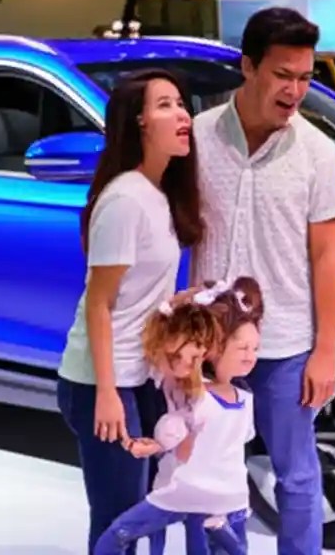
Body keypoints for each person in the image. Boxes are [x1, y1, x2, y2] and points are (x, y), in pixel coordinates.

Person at [191, 7, 335, 555]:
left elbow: (327, 256)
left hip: (283, 342)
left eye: (306, 78)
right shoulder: (198, 139)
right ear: (248, 66)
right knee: (212, 473)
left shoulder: (317, 152)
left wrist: (325, 350)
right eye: (284, 75)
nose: (296, 90)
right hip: (207, 342)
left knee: (298, 476)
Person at [55, 68, 205, 553]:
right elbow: (99, 303)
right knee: (117, 517)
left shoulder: (158, 193)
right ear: (137, 123)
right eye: (165, 105)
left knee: (138, 508)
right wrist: (106, 393)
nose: (182, 114)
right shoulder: (124, 199)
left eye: (181, 103)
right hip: (104, 379)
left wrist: (189, 299)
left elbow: (140, 297)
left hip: (137, 375)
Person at [97, 277, 264, 555]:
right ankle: (218, 530)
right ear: (214, 348)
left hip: (200, 493)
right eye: (243, 348)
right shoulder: (193, 390)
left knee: (118, 535)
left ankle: (217, 530)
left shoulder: (237, 398)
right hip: (220, 497)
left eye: (255, 349)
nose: (250, 356)